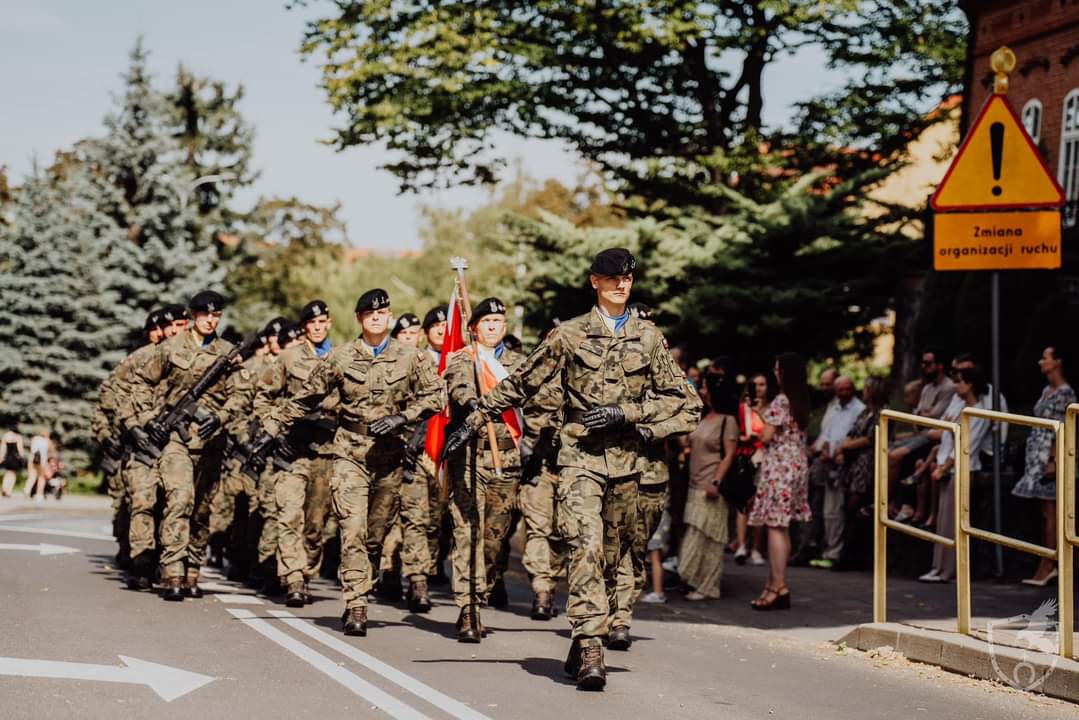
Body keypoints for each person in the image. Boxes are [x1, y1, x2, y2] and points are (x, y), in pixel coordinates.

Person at [443, 248, 690, 690]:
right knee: (586, 546)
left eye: (627, 277)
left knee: (615, 558)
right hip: (580, 461)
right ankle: (592, 644)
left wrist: (630, 414)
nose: (621, 284)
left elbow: (685, 403)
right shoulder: (569, 335)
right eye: (612, 277)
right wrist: (476, 418)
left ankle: (580, 638)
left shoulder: (650, 338)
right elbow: (521, 383)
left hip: (628, 464)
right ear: (594, 281)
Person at [259, 288, 445, 637]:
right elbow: (305, 397)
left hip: (389, 457)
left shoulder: (412, 358)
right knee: (353, 529)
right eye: (370, 313)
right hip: (349, 454)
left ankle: (365, 578)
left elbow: (436, 396)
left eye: (383, 313)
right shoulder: (340, 357)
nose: (377, 317)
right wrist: (269, 428)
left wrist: (403, 418)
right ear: (359, 319)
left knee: (376, 535)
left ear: (389, 317)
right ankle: (356, 603)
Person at [124, 290, 250, 601]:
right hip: (175, 441)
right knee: (180, 500)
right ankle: (172, 571)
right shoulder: (170, 348)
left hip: (211, 443)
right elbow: (141, 381)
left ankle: (192, 570)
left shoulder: (227, 354)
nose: (210, 320)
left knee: (202, 509)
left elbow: (243, 394)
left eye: (216, 315)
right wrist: (150, 417)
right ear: (194, 316)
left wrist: (221, 417)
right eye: (205, 314)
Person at [443, 297, 524, 641]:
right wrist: (473, 401)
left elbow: (533, 395)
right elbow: (459, 387)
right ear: (474, 327)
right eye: (486, 322)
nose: (492, 327)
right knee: (467, 533)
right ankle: (468, 608)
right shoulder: (464, 359)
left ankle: (482, 592)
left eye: (497, 322)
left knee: (494, 538)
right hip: (471, 458)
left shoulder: (519, 363)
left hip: (506, 458)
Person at [256, 300, 337, 607]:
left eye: (322, 322)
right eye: (311, 323)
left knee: (316, 524)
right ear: (304, 326)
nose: (317, 327)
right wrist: (273, 432)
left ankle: (306, 570)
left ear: (328, 323)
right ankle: (294, 578)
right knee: (289, 515)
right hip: (292, 448)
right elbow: (263, 398)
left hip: (326, 449)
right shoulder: (289, 357)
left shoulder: (340, 358)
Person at [748, 353, 811, 610]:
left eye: (777, 369)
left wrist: (756, 416)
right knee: (782, 526)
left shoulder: (782, 401)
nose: (775, 373)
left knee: (775, 525)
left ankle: (778, 585)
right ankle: (774, 583)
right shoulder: (801, 400)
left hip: (779, 466)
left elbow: (765, 436)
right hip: (796, 463)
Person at [919, 366, 992, 583]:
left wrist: (945, 465)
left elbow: (967, 444)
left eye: (960, 382)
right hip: (946, 466)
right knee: (943, 519)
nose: (956, 385)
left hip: (962, 468)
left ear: (970, 384)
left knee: (953, 522)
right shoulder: (959, 406)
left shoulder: (978, 412)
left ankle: (949, 569)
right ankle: (938, 566)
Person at [1011, 345, 1076, 586]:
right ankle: (1047, 561)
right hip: (1035, 456)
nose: (1040, 362)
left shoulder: (1065, 393)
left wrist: (1054, 460)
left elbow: (1065, 428)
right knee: (1044, 511)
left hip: (1049, 456)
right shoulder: (1046, 390)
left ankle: (1050, 564)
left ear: (1057, 362)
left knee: (1051, 512)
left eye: (1045, 358)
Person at [678, 361, 739, 601]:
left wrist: (716, 482)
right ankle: (695, 581)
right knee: (695, 534)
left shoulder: (728, 420)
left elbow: (730, 454)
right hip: (694, 484)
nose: (701, 391)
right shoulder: (703, 417)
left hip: (712, 485)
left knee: (710, 539)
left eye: (704, 387)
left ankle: (708, 586)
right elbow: (686, 444)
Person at [832, 376, 888, 569]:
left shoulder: (881, 412)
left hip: (868, 463)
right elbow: (853, 431)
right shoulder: (865, 411)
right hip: (854, 463)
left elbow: (871, 438)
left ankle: (851, 556)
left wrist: (844, 446)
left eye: (866, 388)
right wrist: (842, 448)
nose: (863, 391)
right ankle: (849, 555)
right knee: (849, 508)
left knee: (855, 507)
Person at [810, 376, 865, 569]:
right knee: (826, 510)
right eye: (839, 390)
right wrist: (823, 448)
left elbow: (853, 437)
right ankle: (827, 549)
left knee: (836, 510)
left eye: (846, 389)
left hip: (844, 464)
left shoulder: (859, 409)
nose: (842, 393)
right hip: (828, 462)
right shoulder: (835, 407)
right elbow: (828, 433)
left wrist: (835, 451)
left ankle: (834, 553)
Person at [789, 368, 835, 566]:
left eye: (828, 384)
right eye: (822, 384)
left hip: (824, 463)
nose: (824, 388)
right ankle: (802, 547)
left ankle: (808, 547)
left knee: (815, 507)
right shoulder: (819, 408)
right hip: (808, 457)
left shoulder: (835, 408)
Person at [732, 373, 770, 566]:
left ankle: (756, 547)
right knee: (743, 503)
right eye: (755, 385)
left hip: (765, 459)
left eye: (763, 384)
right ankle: (741, 545)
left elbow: (773, 432)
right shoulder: (742, 409)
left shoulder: (771, 409)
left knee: (759, 504)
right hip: (745, 457)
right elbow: (732, 434)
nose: (759, 388)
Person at [24, 430, 52, 501]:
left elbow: (31, 449)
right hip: (42, 461)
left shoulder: (35, 439)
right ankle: (39, 494)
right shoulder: (48, 441)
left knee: (32, 477)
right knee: (41, 478)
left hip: (32, 459)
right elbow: (50, 451)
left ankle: (27, 491)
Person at [1, 428, 25, 497]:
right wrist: (22, 458)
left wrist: (1, 457)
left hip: (8, 457)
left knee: (8, 473)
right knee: (13, 474)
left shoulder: (6, 436)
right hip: (15, 458)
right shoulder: (18, 437)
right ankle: (9, 491)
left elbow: (3, 448)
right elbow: (20, 449)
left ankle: (4, 488)